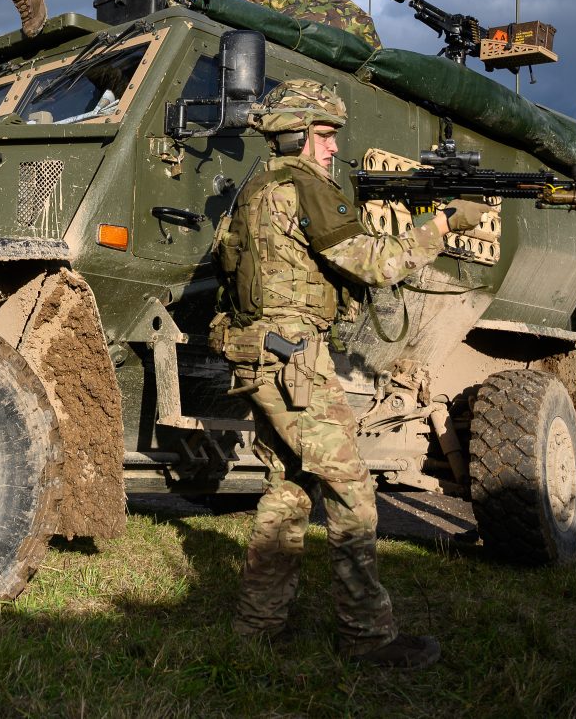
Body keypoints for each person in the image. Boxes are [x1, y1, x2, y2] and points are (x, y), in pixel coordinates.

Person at [210, 78, 491, 669]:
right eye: (324, 135)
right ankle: (366, 637)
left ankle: (257, 629)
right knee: (353, 492)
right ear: (294, 133)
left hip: (263, 356)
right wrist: (441, 226)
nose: (334, 148)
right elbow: (374, 263)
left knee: (289, 492)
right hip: (292, 361)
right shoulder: (304, 186)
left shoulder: (255, 188)